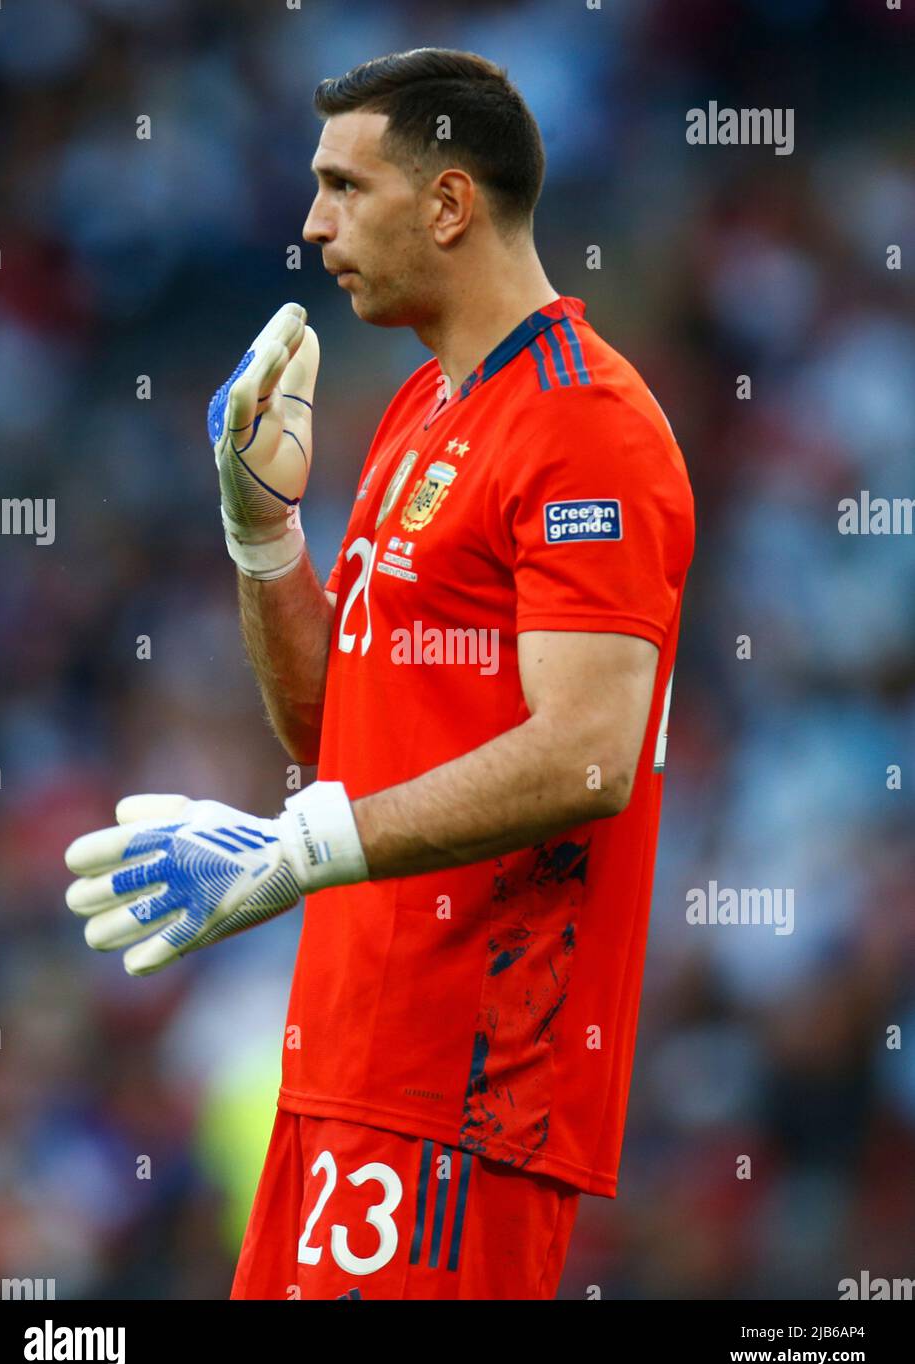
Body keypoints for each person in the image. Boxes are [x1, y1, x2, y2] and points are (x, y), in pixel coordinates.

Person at [64, 48, 695, 1300]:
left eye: (344, 187)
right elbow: (330, 729)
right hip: (345, 1062)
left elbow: (588, 753)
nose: (311, 225)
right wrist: (263, 536)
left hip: (467, 1090)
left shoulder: (587, 426)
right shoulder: (423, 409)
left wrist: (292, 854)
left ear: (449, 203)